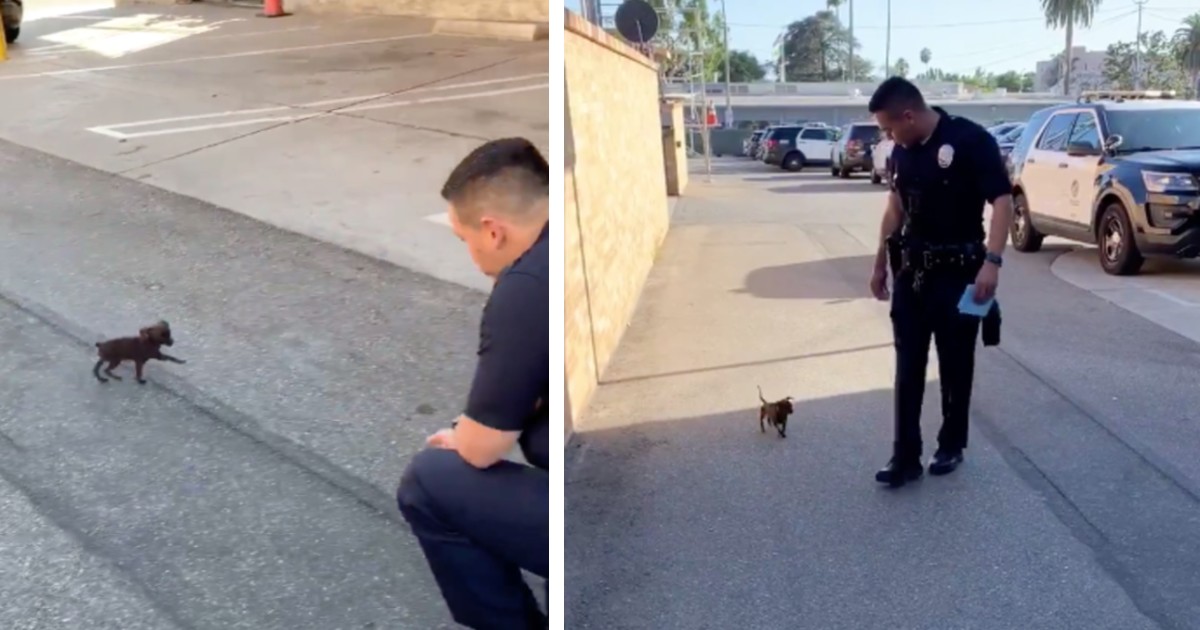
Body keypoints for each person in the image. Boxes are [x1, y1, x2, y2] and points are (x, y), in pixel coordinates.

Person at [396, 137, 549, 628]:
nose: (469, 252)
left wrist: (462, 437)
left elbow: (481, 449)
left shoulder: (523, 290)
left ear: (493, 230)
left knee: (428, 480)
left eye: (464, 240)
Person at [866, 77, 1013, 488]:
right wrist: (879, 263)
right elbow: (895, 207)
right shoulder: (901, 150)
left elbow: (1002, 200)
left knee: (955, 365)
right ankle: (905, 457)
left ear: (909, 115)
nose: (887, 136)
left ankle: (951, 444)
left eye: (889, 127)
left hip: (960, 272)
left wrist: (994, 262)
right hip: (912, 274)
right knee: (908, 367)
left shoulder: (970, 140)